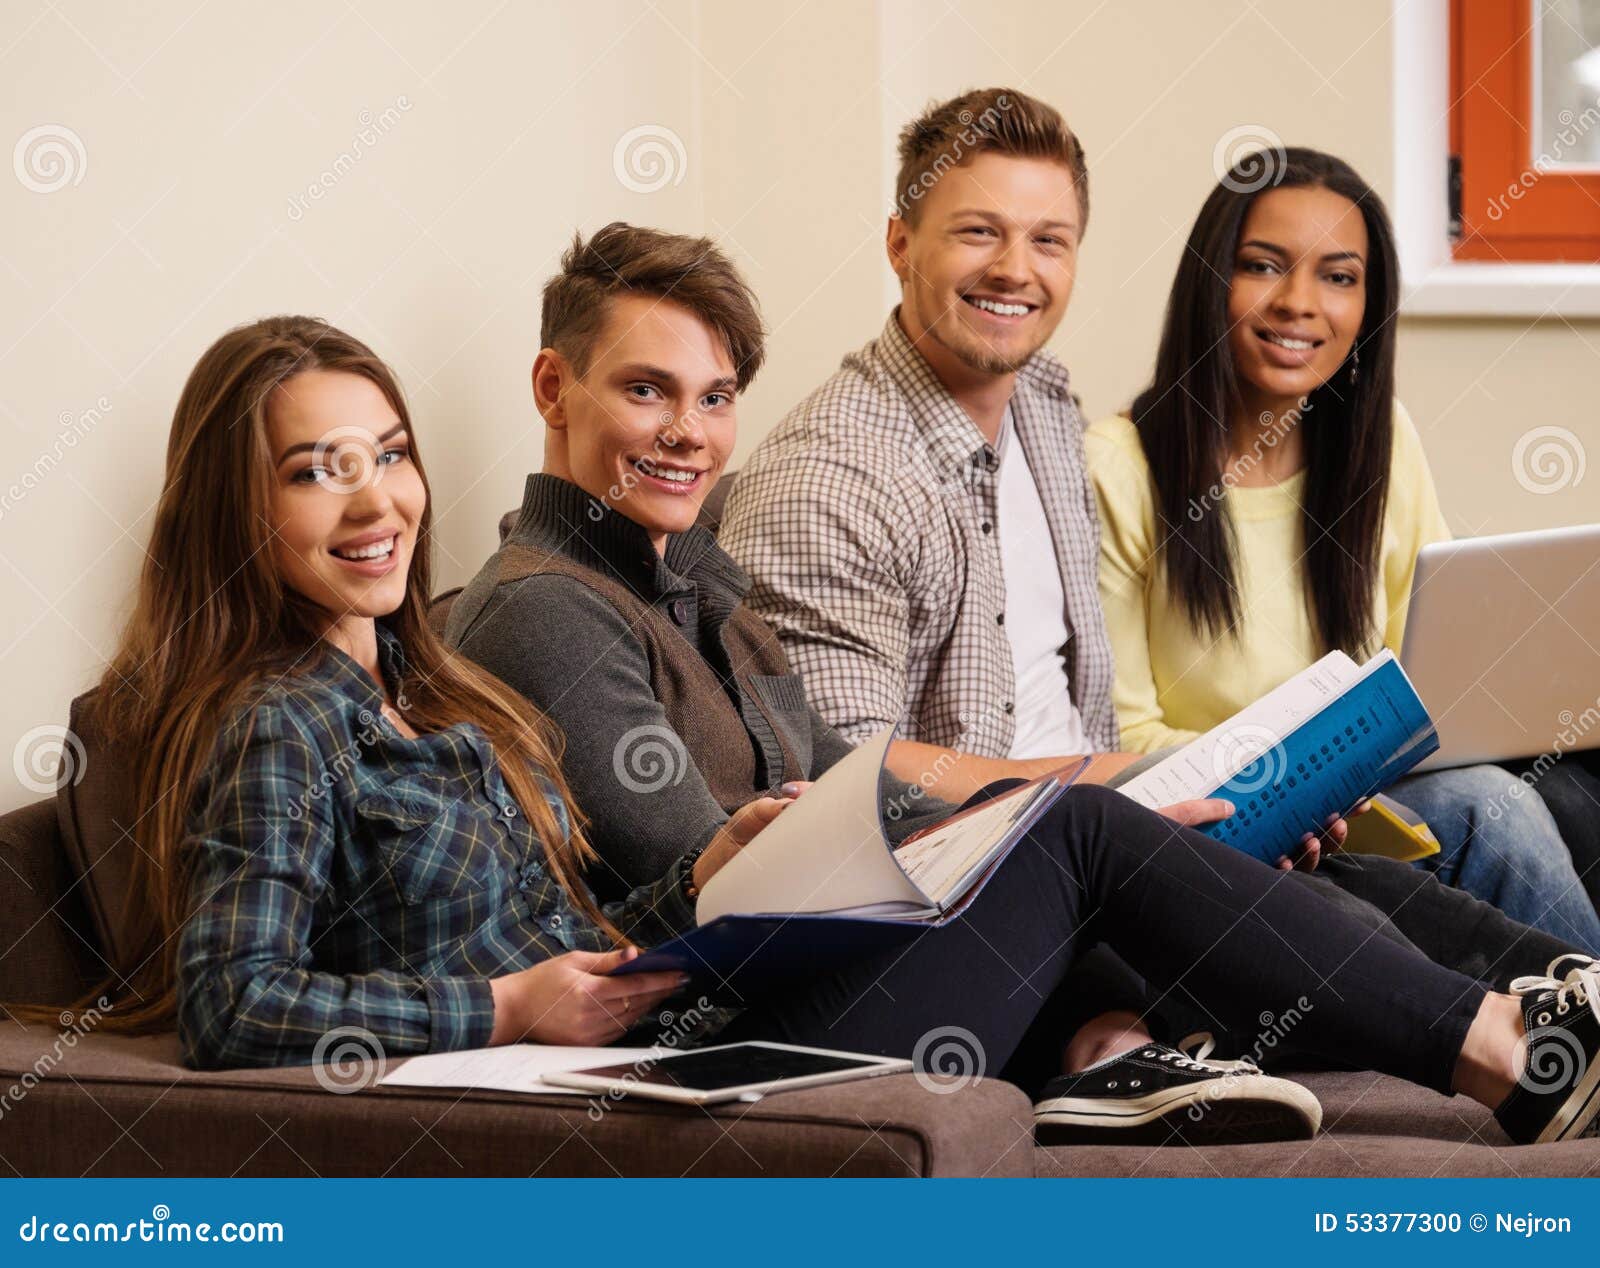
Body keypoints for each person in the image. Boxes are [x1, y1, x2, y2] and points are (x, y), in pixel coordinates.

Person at [433, 227, 1597, 1147]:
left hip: (831, 977)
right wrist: (1022, 823)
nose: (689, 431)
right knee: (1088, 830)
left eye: (716, 395)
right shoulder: (543, 605)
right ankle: (1502, 1049)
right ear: (553, 385)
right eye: (648, 391)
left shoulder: (696, 576)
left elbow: (850, 778)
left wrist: (1073, 806)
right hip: (733, 1038)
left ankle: (1548, 990)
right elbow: (721, 888)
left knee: (1220, 825)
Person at [716, 86, 1596, 954]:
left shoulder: (1042, 409)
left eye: (1047, 240)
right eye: (979, 230)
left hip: (1147, 806)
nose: (1015, 269)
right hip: (1056, 840)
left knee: (1561, 790)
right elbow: (853, 783)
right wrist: (1129, 782)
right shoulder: (835, 477)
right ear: (900, 244)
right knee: (1480, 825)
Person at [1085, 147, 1600, 952]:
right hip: (1226, 810)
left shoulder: (1381, 441)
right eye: (1263, 266)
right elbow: (1122, 737)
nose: (1300, 304)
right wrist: (1311, 768)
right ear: (1210, 281)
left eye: (1339, 276)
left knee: (1576, 788)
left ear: (1369, 304)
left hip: (1367, 791)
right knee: (1486, 808)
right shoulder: (1119, 464)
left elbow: (1434, 672)